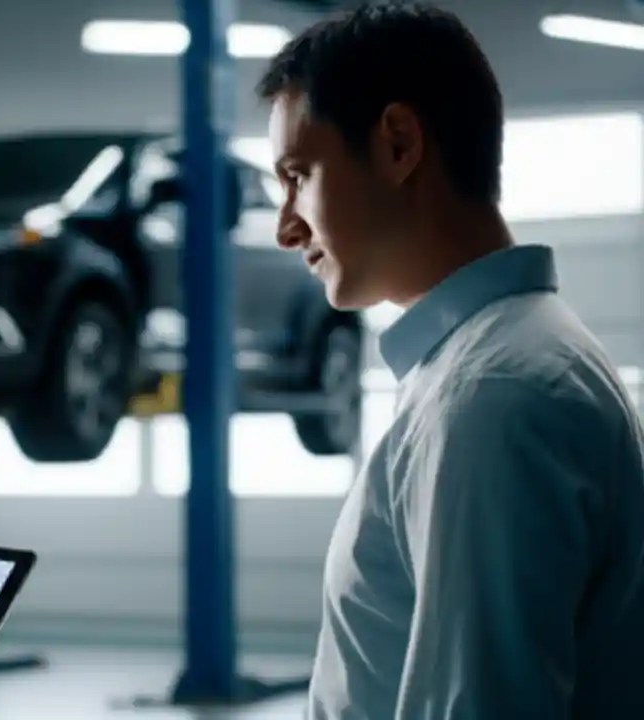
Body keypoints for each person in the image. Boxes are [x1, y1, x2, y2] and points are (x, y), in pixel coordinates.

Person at [257, 3, 644, 718]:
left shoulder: (493, 396)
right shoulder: (484, 367)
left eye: (298, 175)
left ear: (400, 144)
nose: (286, 228)